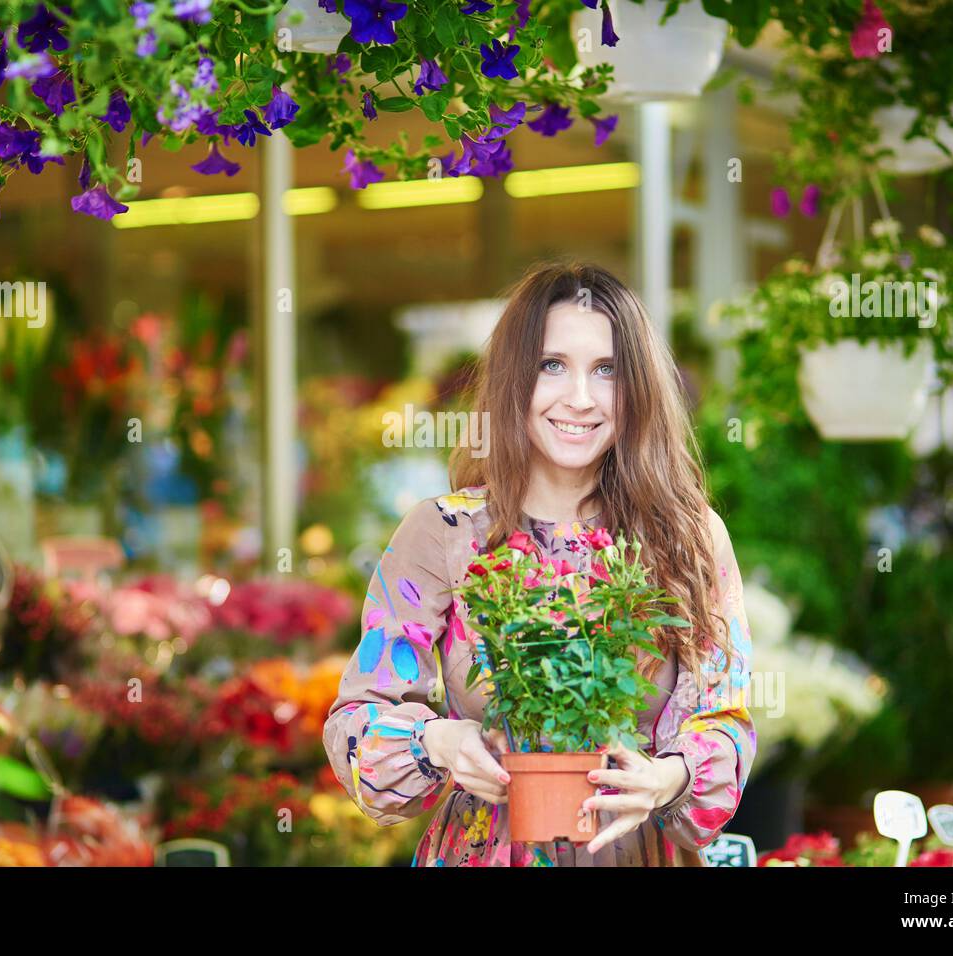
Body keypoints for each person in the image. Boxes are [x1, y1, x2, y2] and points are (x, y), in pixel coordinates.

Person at [322, 258, 756, 866]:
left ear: (638, 389)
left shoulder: (686, 536)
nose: (579, 398)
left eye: (606, 370)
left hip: (631, 852)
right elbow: (356, 720)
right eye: (552, 365)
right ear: (514, 378)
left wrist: (669, 778)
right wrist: (437, 741)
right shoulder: (443, 533)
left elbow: (724, 719)